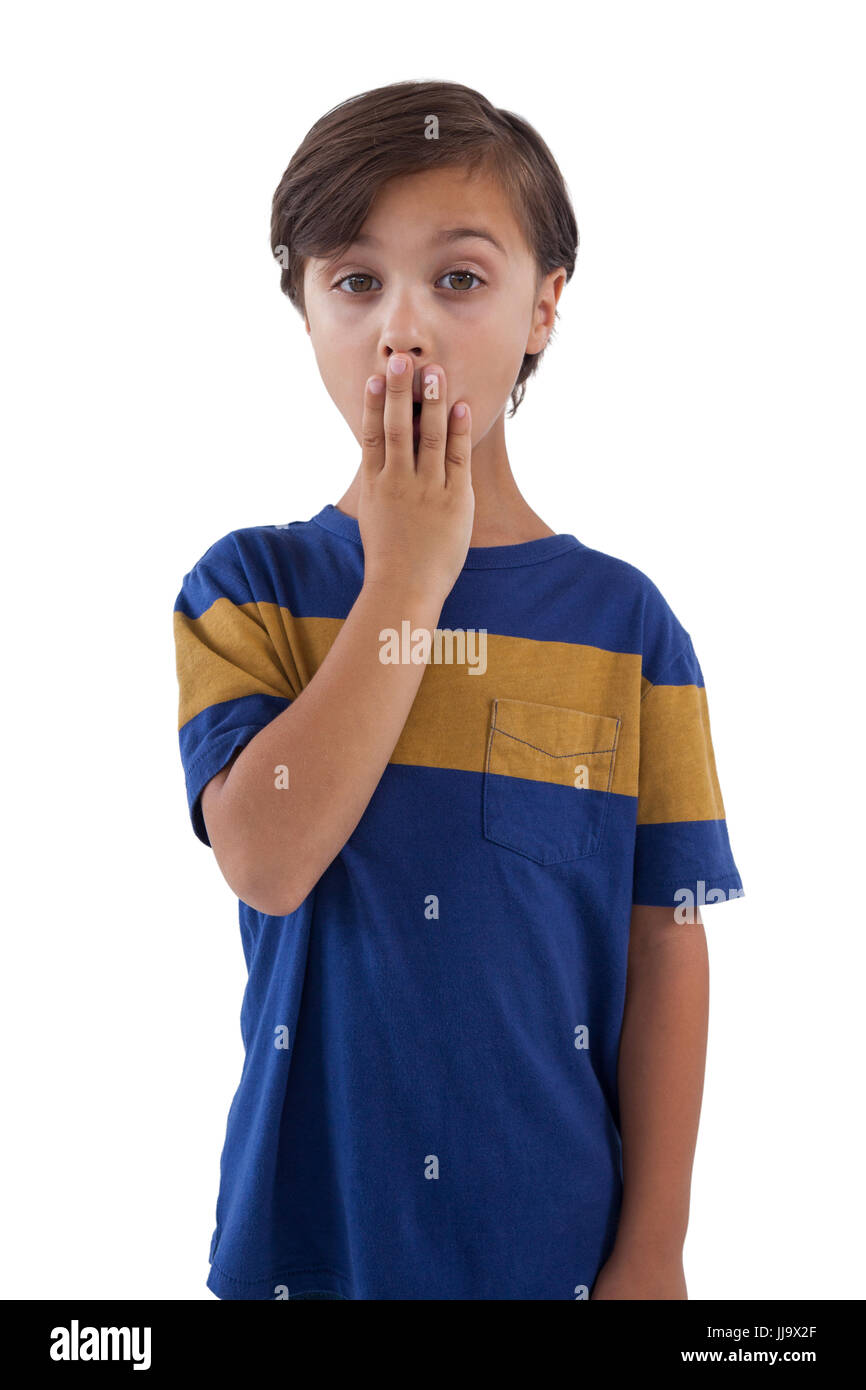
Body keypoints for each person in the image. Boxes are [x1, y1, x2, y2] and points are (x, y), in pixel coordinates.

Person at [173, 79, 744, 1301]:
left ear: (544, 309)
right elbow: (266, 858)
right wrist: (406, 583)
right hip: (304, 1247)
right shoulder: (247, 590)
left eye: (462, 279)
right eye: (354, 280)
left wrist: (654, 1247)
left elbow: (667, 943)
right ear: (306, 310)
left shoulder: (627, 629)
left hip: (549, 1253)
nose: (404, 327)